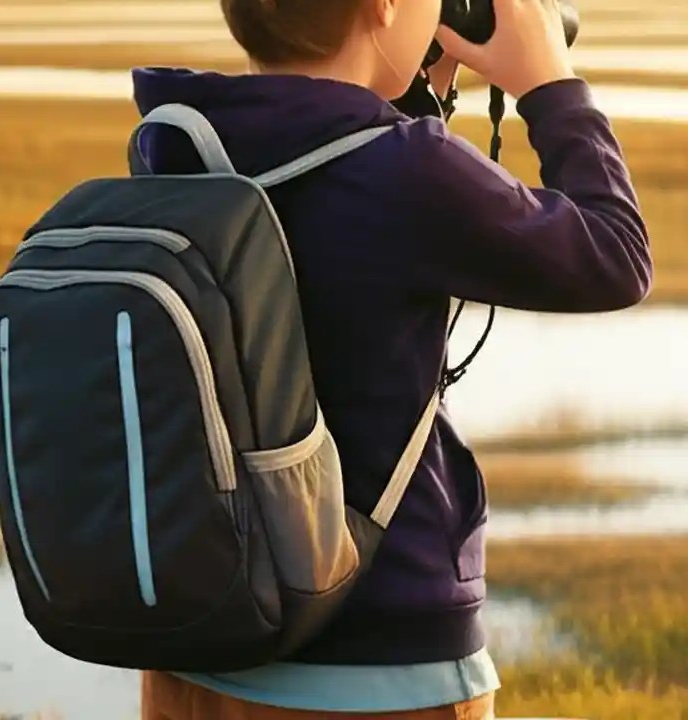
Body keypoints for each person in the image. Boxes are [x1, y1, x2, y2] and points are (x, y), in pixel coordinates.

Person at [135, 0, 651, 717]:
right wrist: (551, 86)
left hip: (196, 662)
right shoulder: (408, 171)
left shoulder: (177, 144)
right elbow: (617, 256)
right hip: (381, 669)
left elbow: (339, 179)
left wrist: (409, 90)